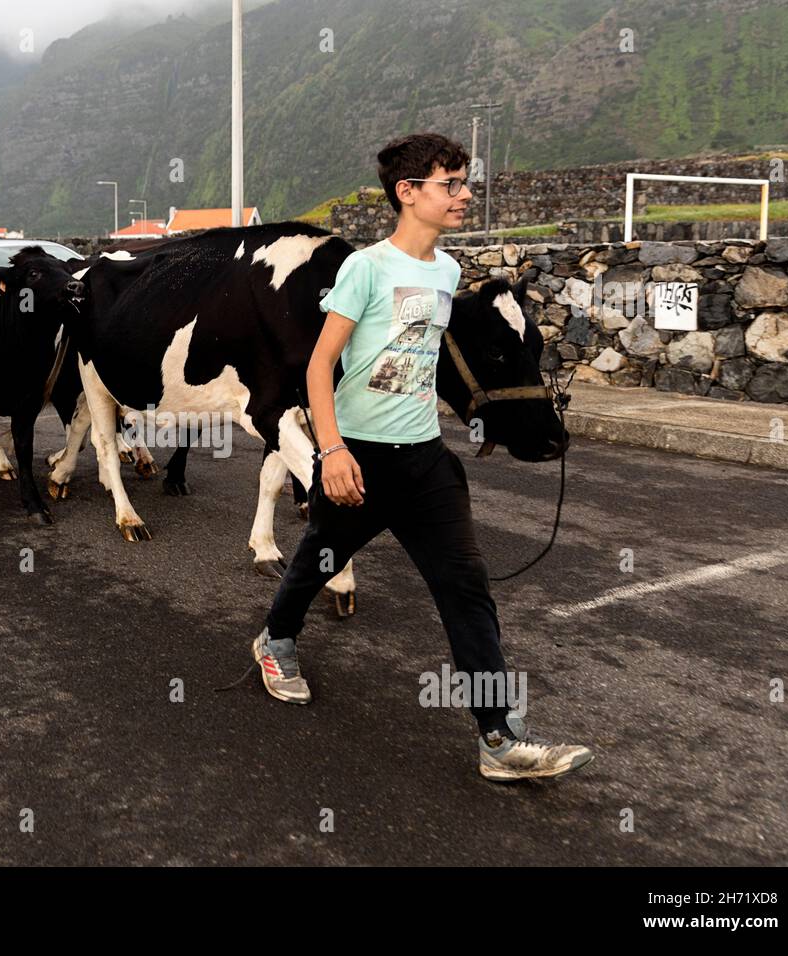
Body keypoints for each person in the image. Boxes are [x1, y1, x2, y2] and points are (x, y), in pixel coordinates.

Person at [251, 132, 592, 782]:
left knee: (466, 587)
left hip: (426, 464)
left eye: (464, 182)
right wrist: (331, 451)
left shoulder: (447, 272)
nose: (465, 195)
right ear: (408, 193)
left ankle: (499, 739)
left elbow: (426, 357)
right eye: (451, 184)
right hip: (360, 461)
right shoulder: (365, 269)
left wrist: (481, 414)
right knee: (320, 558)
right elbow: (321, 366)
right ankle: (276, 639)